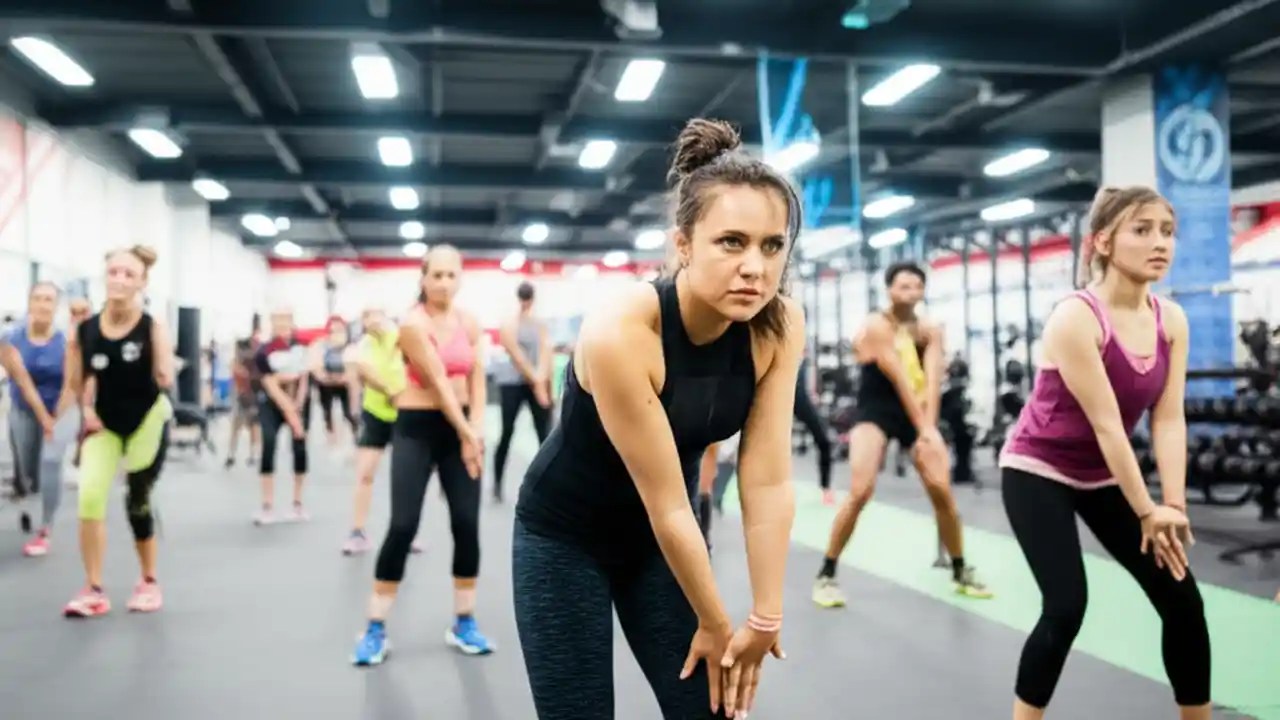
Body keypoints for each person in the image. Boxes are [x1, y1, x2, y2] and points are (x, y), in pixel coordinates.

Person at [512, 118, 800, 719]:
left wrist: (764, 617)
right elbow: (668, 502)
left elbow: (767, 479)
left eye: (773, 245)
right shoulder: (623, 330)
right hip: (565, 539)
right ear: (684, 244)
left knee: (711, 712)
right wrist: (717, 622)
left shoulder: (779, 326)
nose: (755, 266)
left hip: (660, 545)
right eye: (732, 241)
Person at [999, 186, 1208, 720]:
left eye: (1166, 231)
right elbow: (1109, 426)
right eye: (1142, 230)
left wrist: (1174, 506)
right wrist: (1146, 509)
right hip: (1037, 470)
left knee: (1182, 599)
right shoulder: (1077, 317)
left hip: (1101, 475)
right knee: (1067, 606)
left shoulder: (1171, 321)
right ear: (1104, 242)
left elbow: (1167, 418)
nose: (1159, 242)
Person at [814, 261, 991, 609]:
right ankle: (826, 572)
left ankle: (959, 569)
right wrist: (925, 428)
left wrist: (930, 429)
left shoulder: (931, 330)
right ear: (889, 290)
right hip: (876, 411)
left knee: (942, 490)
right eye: (903, 286)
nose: (910, 293)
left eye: (916, 286)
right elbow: (898, 376)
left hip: (918, 414)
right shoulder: (877, 326)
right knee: (861, 490)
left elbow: (931, 378)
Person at [351, 244, 492, 665]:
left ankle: (464, 620)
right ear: (423, 279)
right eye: (437, 275)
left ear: (460, 278)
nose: (444, 283)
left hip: (461, 430)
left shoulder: (470, 323)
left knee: (466, 523)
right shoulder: (413, 324)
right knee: (403, 525)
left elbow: (477, 382)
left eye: (452, 275)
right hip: (417, 429)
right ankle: (375, 627)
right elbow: (439, 385)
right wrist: (468, 433)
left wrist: (476, 432)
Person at [62, 245, 174, 617]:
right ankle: (93, 588)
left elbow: (165, 378)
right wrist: (87, 411)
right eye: (113, 272)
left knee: (136, 500)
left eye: (129, 274)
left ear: (142, 282)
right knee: (89, 496)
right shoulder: (86, 329)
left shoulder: (152, 326)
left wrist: (164, 358)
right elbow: (79, 382)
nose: (119, 280)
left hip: (146, 418)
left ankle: (148, 579)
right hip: (105, 423)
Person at [1, 282, 78, 556]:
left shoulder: (67, 341)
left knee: (51, 461)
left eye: (49, 299)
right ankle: (26, 495)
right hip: (25, 407)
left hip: (62, 408)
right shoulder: (9, 338)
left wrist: (55, 418)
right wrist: (43, 418)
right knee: (28, 471)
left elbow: (71, 382)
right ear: (29, 303)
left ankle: (46, 528)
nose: (43, 304)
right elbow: (21, 381)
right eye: (38, 298)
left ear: (56, 306)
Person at [343, 306, 410, 555]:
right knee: (365, 473)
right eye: (366, 316)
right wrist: (390, 391)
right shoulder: (360, 348)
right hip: (376, 414)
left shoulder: (401, 338)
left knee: (406, 476)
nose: (372, 320)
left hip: (405, 413)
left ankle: (405, 532)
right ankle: (357, 531)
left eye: (376, 315)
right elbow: (364, 372)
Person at [492, 281, 552, 502]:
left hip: (536, 379)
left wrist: (542, 383)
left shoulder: (540, 324)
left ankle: (550, 485)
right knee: (507, 432)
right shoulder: (509, 324)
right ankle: (497, 483)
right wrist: (537, 381)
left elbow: (546, 352)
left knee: (545, 434)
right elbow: (516, 355)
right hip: (512, 382)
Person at [253, 308, 310, 525]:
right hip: (272, 403)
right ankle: (267, 505)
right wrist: (289, 411)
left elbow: (303, 378)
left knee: (300, 446)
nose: (283, 329)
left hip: (297, 401)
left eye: (287, 325)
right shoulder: (264, 352)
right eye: (278, 325)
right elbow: (270, 383)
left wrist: (298, 406)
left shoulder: (301, 349)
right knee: (268, 444)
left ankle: (297, 503)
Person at [311, 316, 358, 446]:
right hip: (327, 383)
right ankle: (331, 433)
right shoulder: (321, 345)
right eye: (333, 330)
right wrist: (328, 378)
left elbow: (353, 373)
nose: (336, 333)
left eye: (339, 329)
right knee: (327, 409)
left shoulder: (351, 347)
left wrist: (344, 378)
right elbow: (317, 369)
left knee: (350, 412)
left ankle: (355, 432)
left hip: (345, 384)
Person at [793, 358, 834, 504]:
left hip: (800, 395)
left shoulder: (806, 360)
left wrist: (814, 393)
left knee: (824, 440)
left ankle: (826, 488)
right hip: (781, 392)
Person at [224, 337, 260, 469]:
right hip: (246, 397)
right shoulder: (248, 362)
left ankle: (233, 454)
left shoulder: (243, 363)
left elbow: (238, 377)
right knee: (251, 426)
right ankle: (250, 454)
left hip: (245, 397)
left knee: (245, 426)